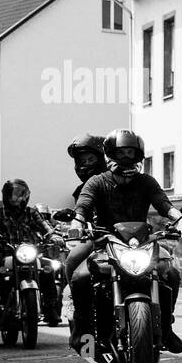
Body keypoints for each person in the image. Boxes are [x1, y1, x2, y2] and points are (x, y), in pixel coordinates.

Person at [69, 129, 182, 354]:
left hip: (141, 244)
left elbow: (163, 204)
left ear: (138, 156)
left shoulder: (146, 182)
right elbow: (84, 204)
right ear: (110, 155)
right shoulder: (97, 182)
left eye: (131, 152)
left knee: (172, 274)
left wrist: (181, 220)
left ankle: (166, 328)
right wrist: (78, 222)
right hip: (106, 244)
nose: (126, 158)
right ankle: (83, 332)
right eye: (121, 153)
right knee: (80, 277)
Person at [0, 180, 55, 325]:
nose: (17, 198)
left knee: (48, 268)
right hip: (4, 252)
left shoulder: (32, 212)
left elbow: (45, 227)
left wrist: (53, 236)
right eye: (14, 194)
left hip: (28, 252)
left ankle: (50, 307)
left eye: (21, 194)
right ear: (6, 196)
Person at [65, 134, 107, 337]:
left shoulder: (126, 180)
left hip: (131, 240)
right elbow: (80, 212)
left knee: (166, 270)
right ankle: (78, 312)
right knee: (72, 261)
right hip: (98, 239)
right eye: (81, 161)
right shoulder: (82, 190)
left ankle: (164, 325)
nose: (84, 165)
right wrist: (77, 224)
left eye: (90, 159)